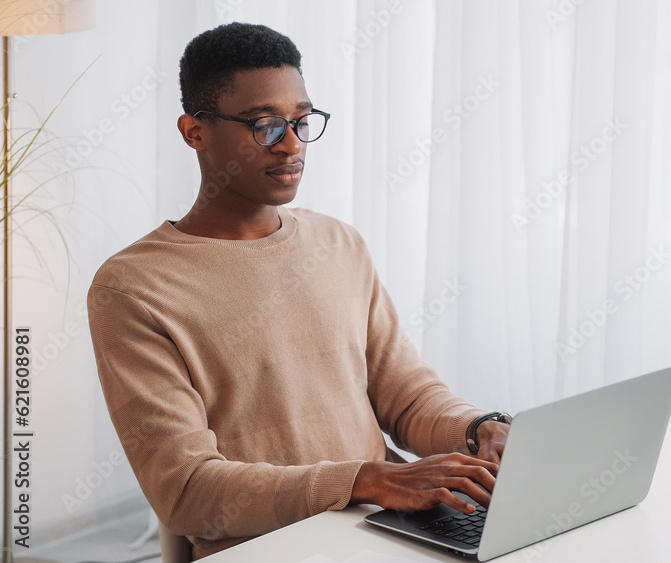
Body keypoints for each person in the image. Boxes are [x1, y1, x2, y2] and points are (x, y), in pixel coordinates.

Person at [87, 22, 508, 560]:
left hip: (395, 530)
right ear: (194, 131)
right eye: (265, 125)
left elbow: (405, 397)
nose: (291, 145)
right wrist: (365, 481)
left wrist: (477, 431)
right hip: (273, 547)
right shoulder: (132, 287)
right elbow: (187, 491)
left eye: (302, 121)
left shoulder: (338, 243)